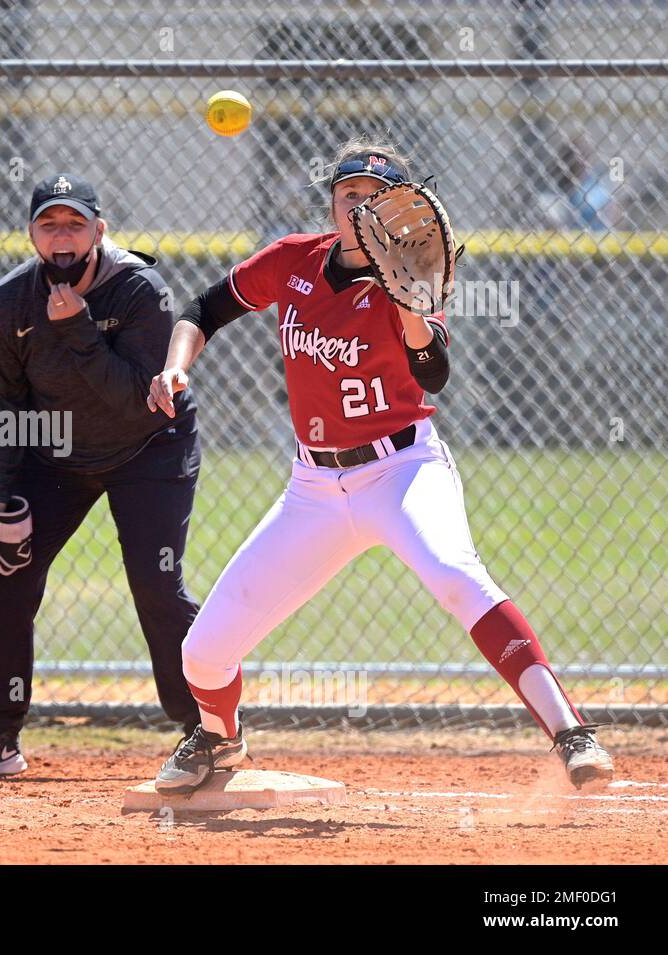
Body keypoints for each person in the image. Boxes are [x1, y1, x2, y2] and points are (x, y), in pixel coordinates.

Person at [145, 138, 615, 794]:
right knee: (203, 651)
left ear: (400, 211)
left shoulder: (408, 279)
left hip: (401, 470)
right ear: (332, 202)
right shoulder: (291, 262)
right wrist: (176, 364)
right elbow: (204, 310)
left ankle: (572, 732)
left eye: (376, 198)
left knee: (456, 575)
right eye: (349, 195)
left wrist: (413, 311)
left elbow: (436, 372)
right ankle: (220, 739)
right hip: (314, 487)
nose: (361, 208)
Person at [0, 173, 204, 775]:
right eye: (48, 224)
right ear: (32, 233)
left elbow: (135, 400)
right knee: (8, 572)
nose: (61, 237)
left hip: (151, 446)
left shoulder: (139, 290)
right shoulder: (9, 303)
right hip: (57, 455)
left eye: (74, 224)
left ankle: (206, 730)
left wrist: (76, 330)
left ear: (99, 230)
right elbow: (2, 402)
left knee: (156, 584)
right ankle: (0, 733)